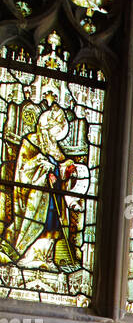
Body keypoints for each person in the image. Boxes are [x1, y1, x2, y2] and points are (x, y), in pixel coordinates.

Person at [0, 103, 80, 271]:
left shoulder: (54, 147)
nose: (57, 135)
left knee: (53, 224)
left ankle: (46, 257)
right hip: (36, 194)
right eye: (56, 130)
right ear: (48, 128)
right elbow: (25, 168)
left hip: (53, 194)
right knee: (39, 223)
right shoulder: (31, 141)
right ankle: (28, 256)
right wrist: (45, 169)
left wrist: (66, 170)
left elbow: (59, 168)